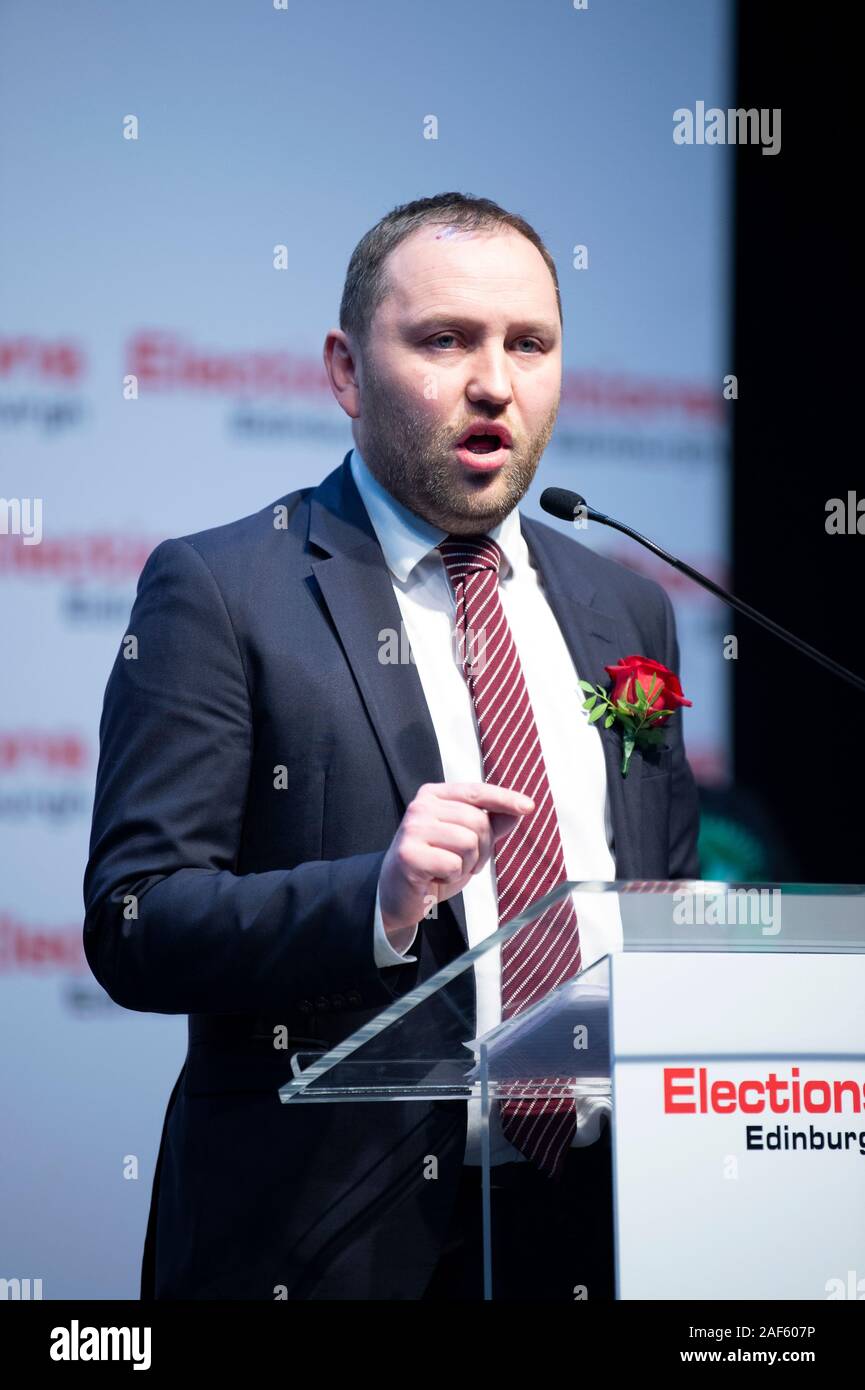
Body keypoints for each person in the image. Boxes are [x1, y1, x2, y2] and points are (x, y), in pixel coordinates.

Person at [83, 192, 700, 1301]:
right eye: (444, 339)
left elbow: (662, 896)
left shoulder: (625, 611)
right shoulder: (223, 590)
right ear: (344, 370)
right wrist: (375, 897)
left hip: (602, 1234)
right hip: (325, 1245)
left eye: (530, 344)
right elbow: (136, 921)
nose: (494, 383)